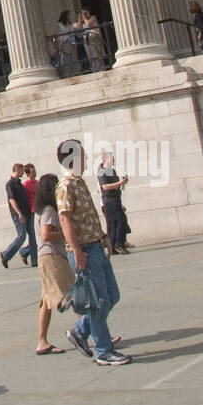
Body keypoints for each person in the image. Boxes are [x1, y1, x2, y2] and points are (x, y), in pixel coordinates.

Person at [56, 139, 130, 366]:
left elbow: (87, 216)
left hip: (95, 245)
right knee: (97, 302)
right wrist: (76, 250)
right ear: (73, 159)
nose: (86, 159)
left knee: (112, 295)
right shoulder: (65, 185)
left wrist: (104, 237)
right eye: (83, 155)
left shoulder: (79, 183)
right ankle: (103, 351)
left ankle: (80, 331)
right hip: (84, 250)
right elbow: (65, 219)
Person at [34, 173, 74, 355]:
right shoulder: (49, 210)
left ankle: (42, 341)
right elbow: (46, 235)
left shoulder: (41, 210)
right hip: (52, 257)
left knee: (47, 302)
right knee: (76, 293)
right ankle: (95, 333)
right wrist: (66, 233)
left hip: (46, 257)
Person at [0, 163, 37, 269]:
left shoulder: (19, 183)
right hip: (19, 214)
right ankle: (6, 255)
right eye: (21, 170)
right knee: (22, 236)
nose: (23, 172)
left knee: (32, 237)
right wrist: (19, 213)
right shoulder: (10, 184)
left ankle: (35, 261)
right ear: (16, 170)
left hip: (28, 212)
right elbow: (12, 200)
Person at [97, 153, 130, 254]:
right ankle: (119, 245)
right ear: (105, 161)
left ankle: (113, 246)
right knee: (121, 220)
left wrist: (123, 183)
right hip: (109, 201)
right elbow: (105, 187)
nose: (113, 161)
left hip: (115, 199)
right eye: (111, 159)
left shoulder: (112, 171)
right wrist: (120, 183)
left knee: (114, 224)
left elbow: (116, 186)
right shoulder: (102, 171)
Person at [19, 162, 38, 264]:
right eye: (32, 172)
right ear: (27, 174)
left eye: (35, 171)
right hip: (30, 212)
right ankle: (25, 251)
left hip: (38, 210)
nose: (34, 173)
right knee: (34, 236)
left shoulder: (37, 182)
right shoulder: (25, 185)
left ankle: (25, 251)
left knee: (36, 236)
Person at [81, 7, 107, 72]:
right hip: (87, 39)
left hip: (94, 38)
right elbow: (78, 27)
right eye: (83, 13)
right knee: (91, 56)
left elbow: (88, 24)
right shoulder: (83, 21)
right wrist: (80, 19)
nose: (85, 14)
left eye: (86, 12)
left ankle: (101, 69)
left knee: (97, 54)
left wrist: (84, 18)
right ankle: (94, 70)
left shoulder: (93, 17)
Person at [54, 11, 79, 77]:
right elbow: (58, 36)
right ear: (65, 16)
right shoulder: (60, 25)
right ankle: (69, 74)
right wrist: (59, 46)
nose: (70, 17)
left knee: (74, 58)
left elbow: (78, 27)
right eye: (68, 15)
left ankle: (76, 73)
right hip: (65, 43)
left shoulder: (70, 24)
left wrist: (80, 18)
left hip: (73, 43)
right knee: (67, 59)